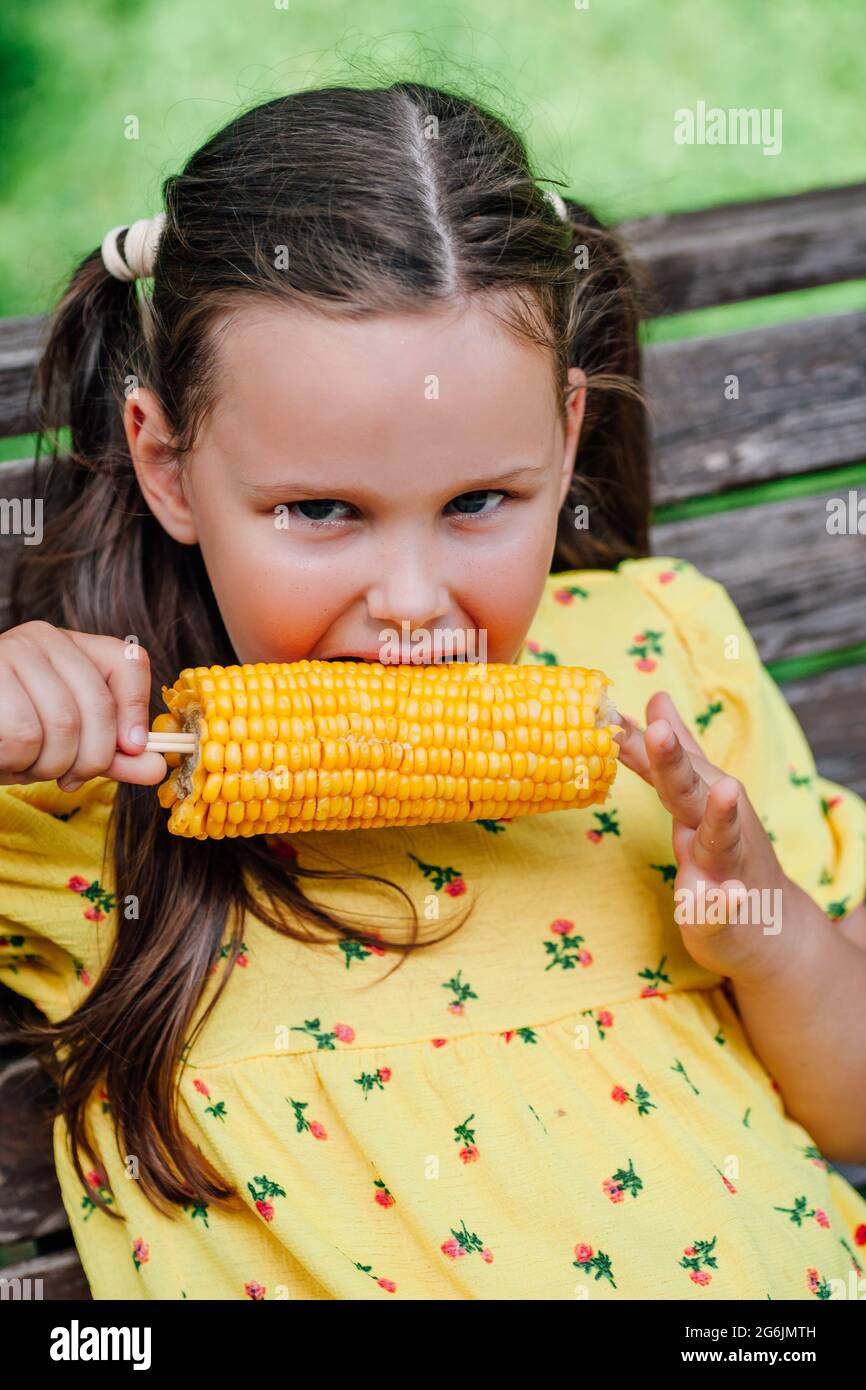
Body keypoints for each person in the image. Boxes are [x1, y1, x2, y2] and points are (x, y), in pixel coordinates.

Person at [2, 81, 865, 1301]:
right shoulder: (77, 782)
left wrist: (768, 932)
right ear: (167, 465)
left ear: (564, 439)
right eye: (319, 511)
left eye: (477, 504)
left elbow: (851, 1112)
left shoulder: (662, 651)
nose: (411, 601)